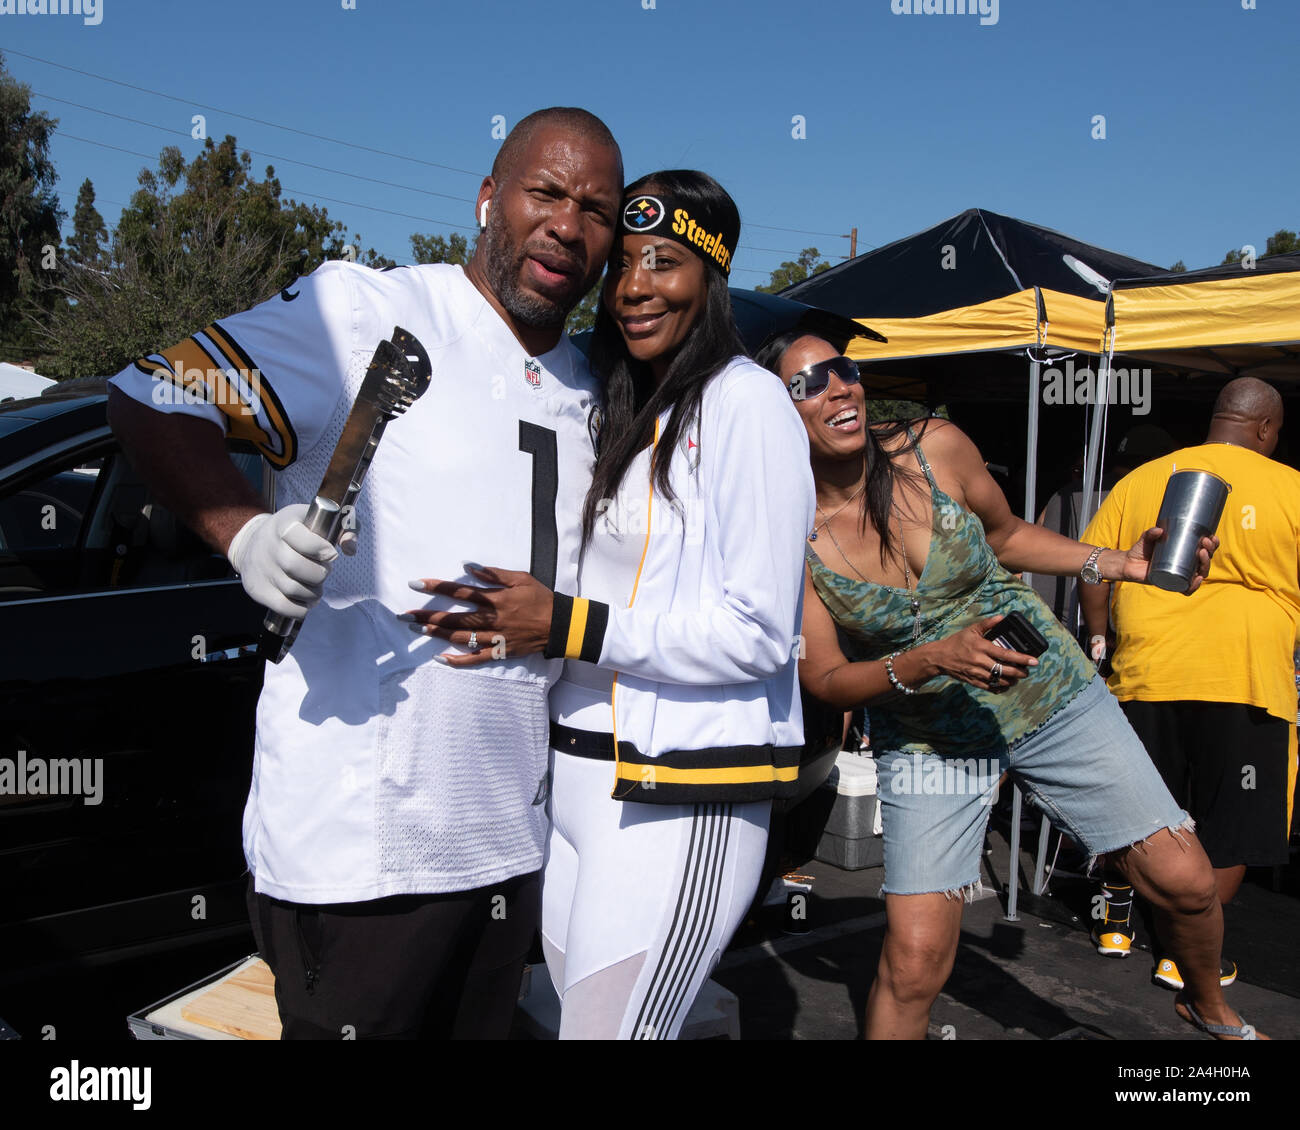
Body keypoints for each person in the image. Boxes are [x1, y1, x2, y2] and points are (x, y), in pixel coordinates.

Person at [106, 107, 623, 1039]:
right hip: (366, 849)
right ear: (485, 197)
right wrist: (244, 534)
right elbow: (157, 391)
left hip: (508, 842)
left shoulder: (591, 387)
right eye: (545, 192)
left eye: (596, 209)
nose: (567, 224)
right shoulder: (366, 310)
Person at [756, 331, 1264, 1041]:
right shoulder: (787, 531)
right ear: (774, 414)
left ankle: (1206, 1004)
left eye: (841, 370)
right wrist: (932, 658)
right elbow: (830, 681)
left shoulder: (933, 446)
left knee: (1185, 881)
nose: (836, 388)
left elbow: (1007, 536)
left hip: (1051, 696)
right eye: (806, 384)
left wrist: (1122, 564)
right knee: (913, 958)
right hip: (934, 741)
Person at [404, 170, 815, 1039]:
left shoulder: (747, 403)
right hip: (575, 787)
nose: (633, 287)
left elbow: (760, 631)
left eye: (663, 263)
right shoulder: (626, 407)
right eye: (624, 263)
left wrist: (566, 623)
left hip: (681, 795)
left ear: (711, 277)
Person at [1080, 378, 1300, 989]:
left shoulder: (1143, 478)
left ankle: (1115, 917)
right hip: (1247, 674)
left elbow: (1093, 569)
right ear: (1265, 430)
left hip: (1147, 666)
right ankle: (1185, 952)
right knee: (1230, 820)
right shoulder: (1292, 487)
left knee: (1137, 808)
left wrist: (1099, 640)